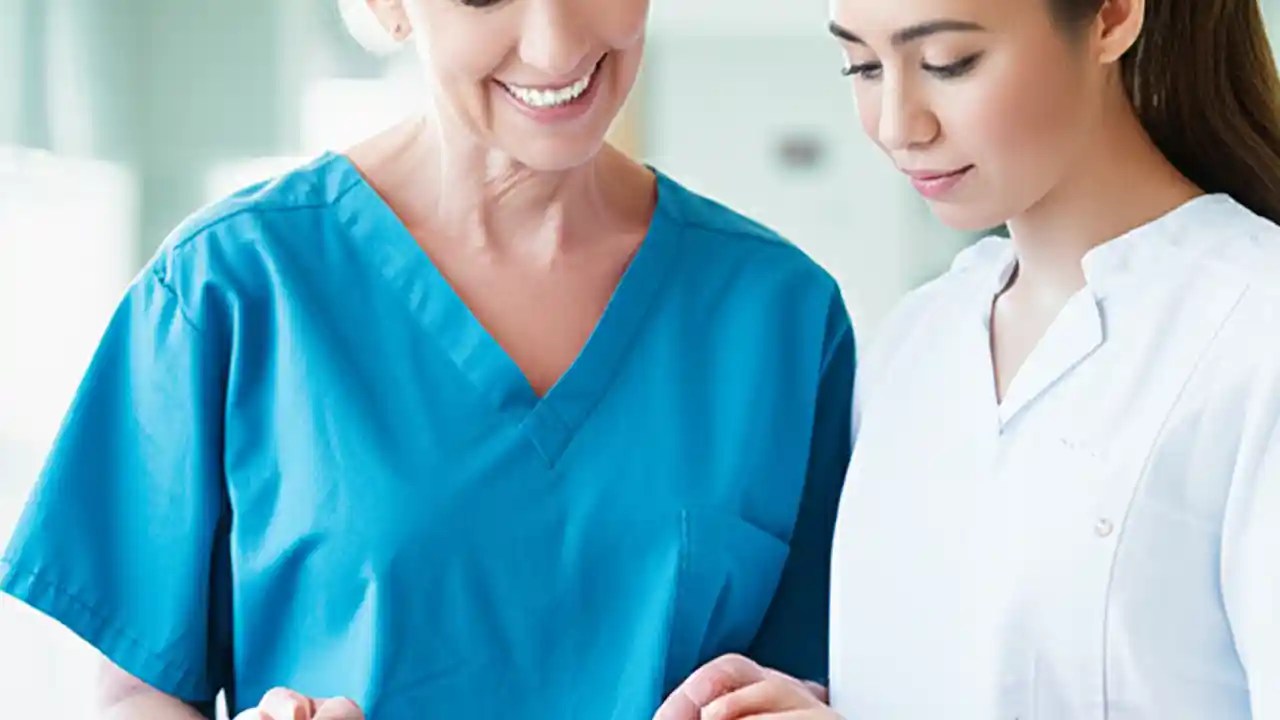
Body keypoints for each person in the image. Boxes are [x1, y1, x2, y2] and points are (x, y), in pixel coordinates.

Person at [0, 0, 855, 717]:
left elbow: (824, 677)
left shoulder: (782, 316)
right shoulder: (230, 287)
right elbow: (135, 698)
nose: (556, 41)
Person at [657, 0, 1280, 717]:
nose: (897, 125)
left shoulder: (1254, 333)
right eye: (862, 66)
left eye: (948, 63)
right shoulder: (913, 343)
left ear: (1111, 16)